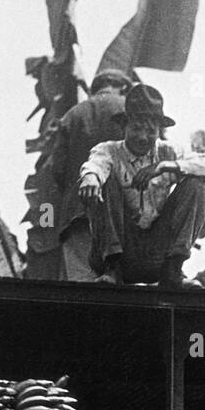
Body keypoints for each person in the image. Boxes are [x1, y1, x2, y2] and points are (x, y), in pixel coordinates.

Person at [78, 83, 205, 287]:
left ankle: (174, 270)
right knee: (104, 179)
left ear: (159, 131)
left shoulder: (169, 152)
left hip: (158, 257)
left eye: (150, 130)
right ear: (124, 127)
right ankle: (112, 269)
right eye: (136, 128)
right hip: (121, 253)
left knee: (197, 183)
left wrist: (165, 166)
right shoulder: (109, 150)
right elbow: (95, 165)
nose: (143, 137)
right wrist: (91, 178)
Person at [50, 70, 132, 281]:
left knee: (83, 290)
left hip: (77, 213)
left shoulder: (72, 115)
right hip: (124, 214)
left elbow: (57, 169)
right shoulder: (132, 111)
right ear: (123, 87)